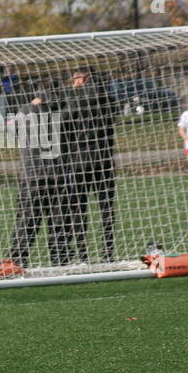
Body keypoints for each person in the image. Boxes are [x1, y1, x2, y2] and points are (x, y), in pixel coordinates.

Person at [5, 87, 74, 268]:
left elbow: (13, 130)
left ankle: (18, 260)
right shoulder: (62, 113)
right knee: (58, 222)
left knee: (27, 221)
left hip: (34, 174)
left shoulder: (24, 111)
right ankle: (61, 261)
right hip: (57, 174)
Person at [59, 66, 119, 263]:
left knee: (79, 208)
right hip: (104, 159)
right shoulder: (108, 99)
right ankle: (108, 254)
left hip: (79, 161)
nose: (73, 83)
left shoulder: (74, 100)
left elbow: (63, 124)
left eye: (75, 79)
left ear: (84, 79)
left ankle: (83, 255)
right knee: (107, 209)